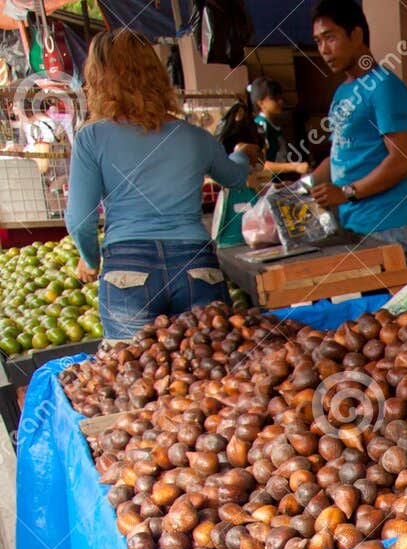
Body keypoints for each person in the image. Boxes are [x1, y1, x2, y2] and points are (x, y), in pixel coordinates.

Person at [65, 29, 261, 342]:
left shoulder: (91, 138)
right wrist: (241, 155)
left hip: (127, 270)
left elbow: (79, 221)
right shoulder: (194, 137)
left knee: (132, 376)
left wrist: (90, 260)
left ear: (97, 80)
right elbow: (235, 178)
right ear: (156, 75)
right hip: (196, 265)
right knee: (211, 374)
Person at [307, 0, 407, 258]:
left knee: (381, 299)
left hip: (384, 225)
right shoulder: (343, 91)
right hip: (351, 223)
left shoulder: (384, 86)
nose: (323, 50)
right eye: (318, 42)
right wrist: (299, 189)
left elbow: (402, 160)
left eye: (330, 38)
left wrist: (346, 193)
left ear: (356, 35)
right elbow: (340, 153)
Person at [247, 76, 308, 175]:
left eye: (280, 97)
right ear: (261, 103)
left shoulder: (277, 123)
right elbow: (260, 164)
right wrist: (294, 167)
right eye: (274, 98)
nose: (280, 102)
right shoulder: (260, 126)